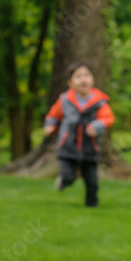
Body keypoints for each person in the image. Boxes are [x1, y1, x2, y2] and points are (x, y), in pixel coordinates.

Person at [43, 61, 115, 207]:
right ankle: (64, 181)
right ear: (70, 82)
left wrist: (97, 125)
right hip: (67, 147)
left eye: (87, 75)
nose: (83, 79)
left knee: (92, 182)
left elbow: (108, 118)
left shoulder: (99, 101)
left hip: (90, 148)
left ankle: (92, 205)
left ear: (92, 79)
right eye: (79, 76)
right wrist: (50, 126)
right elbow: (53, 116)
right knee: (69, 176)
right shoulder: (64, 100)